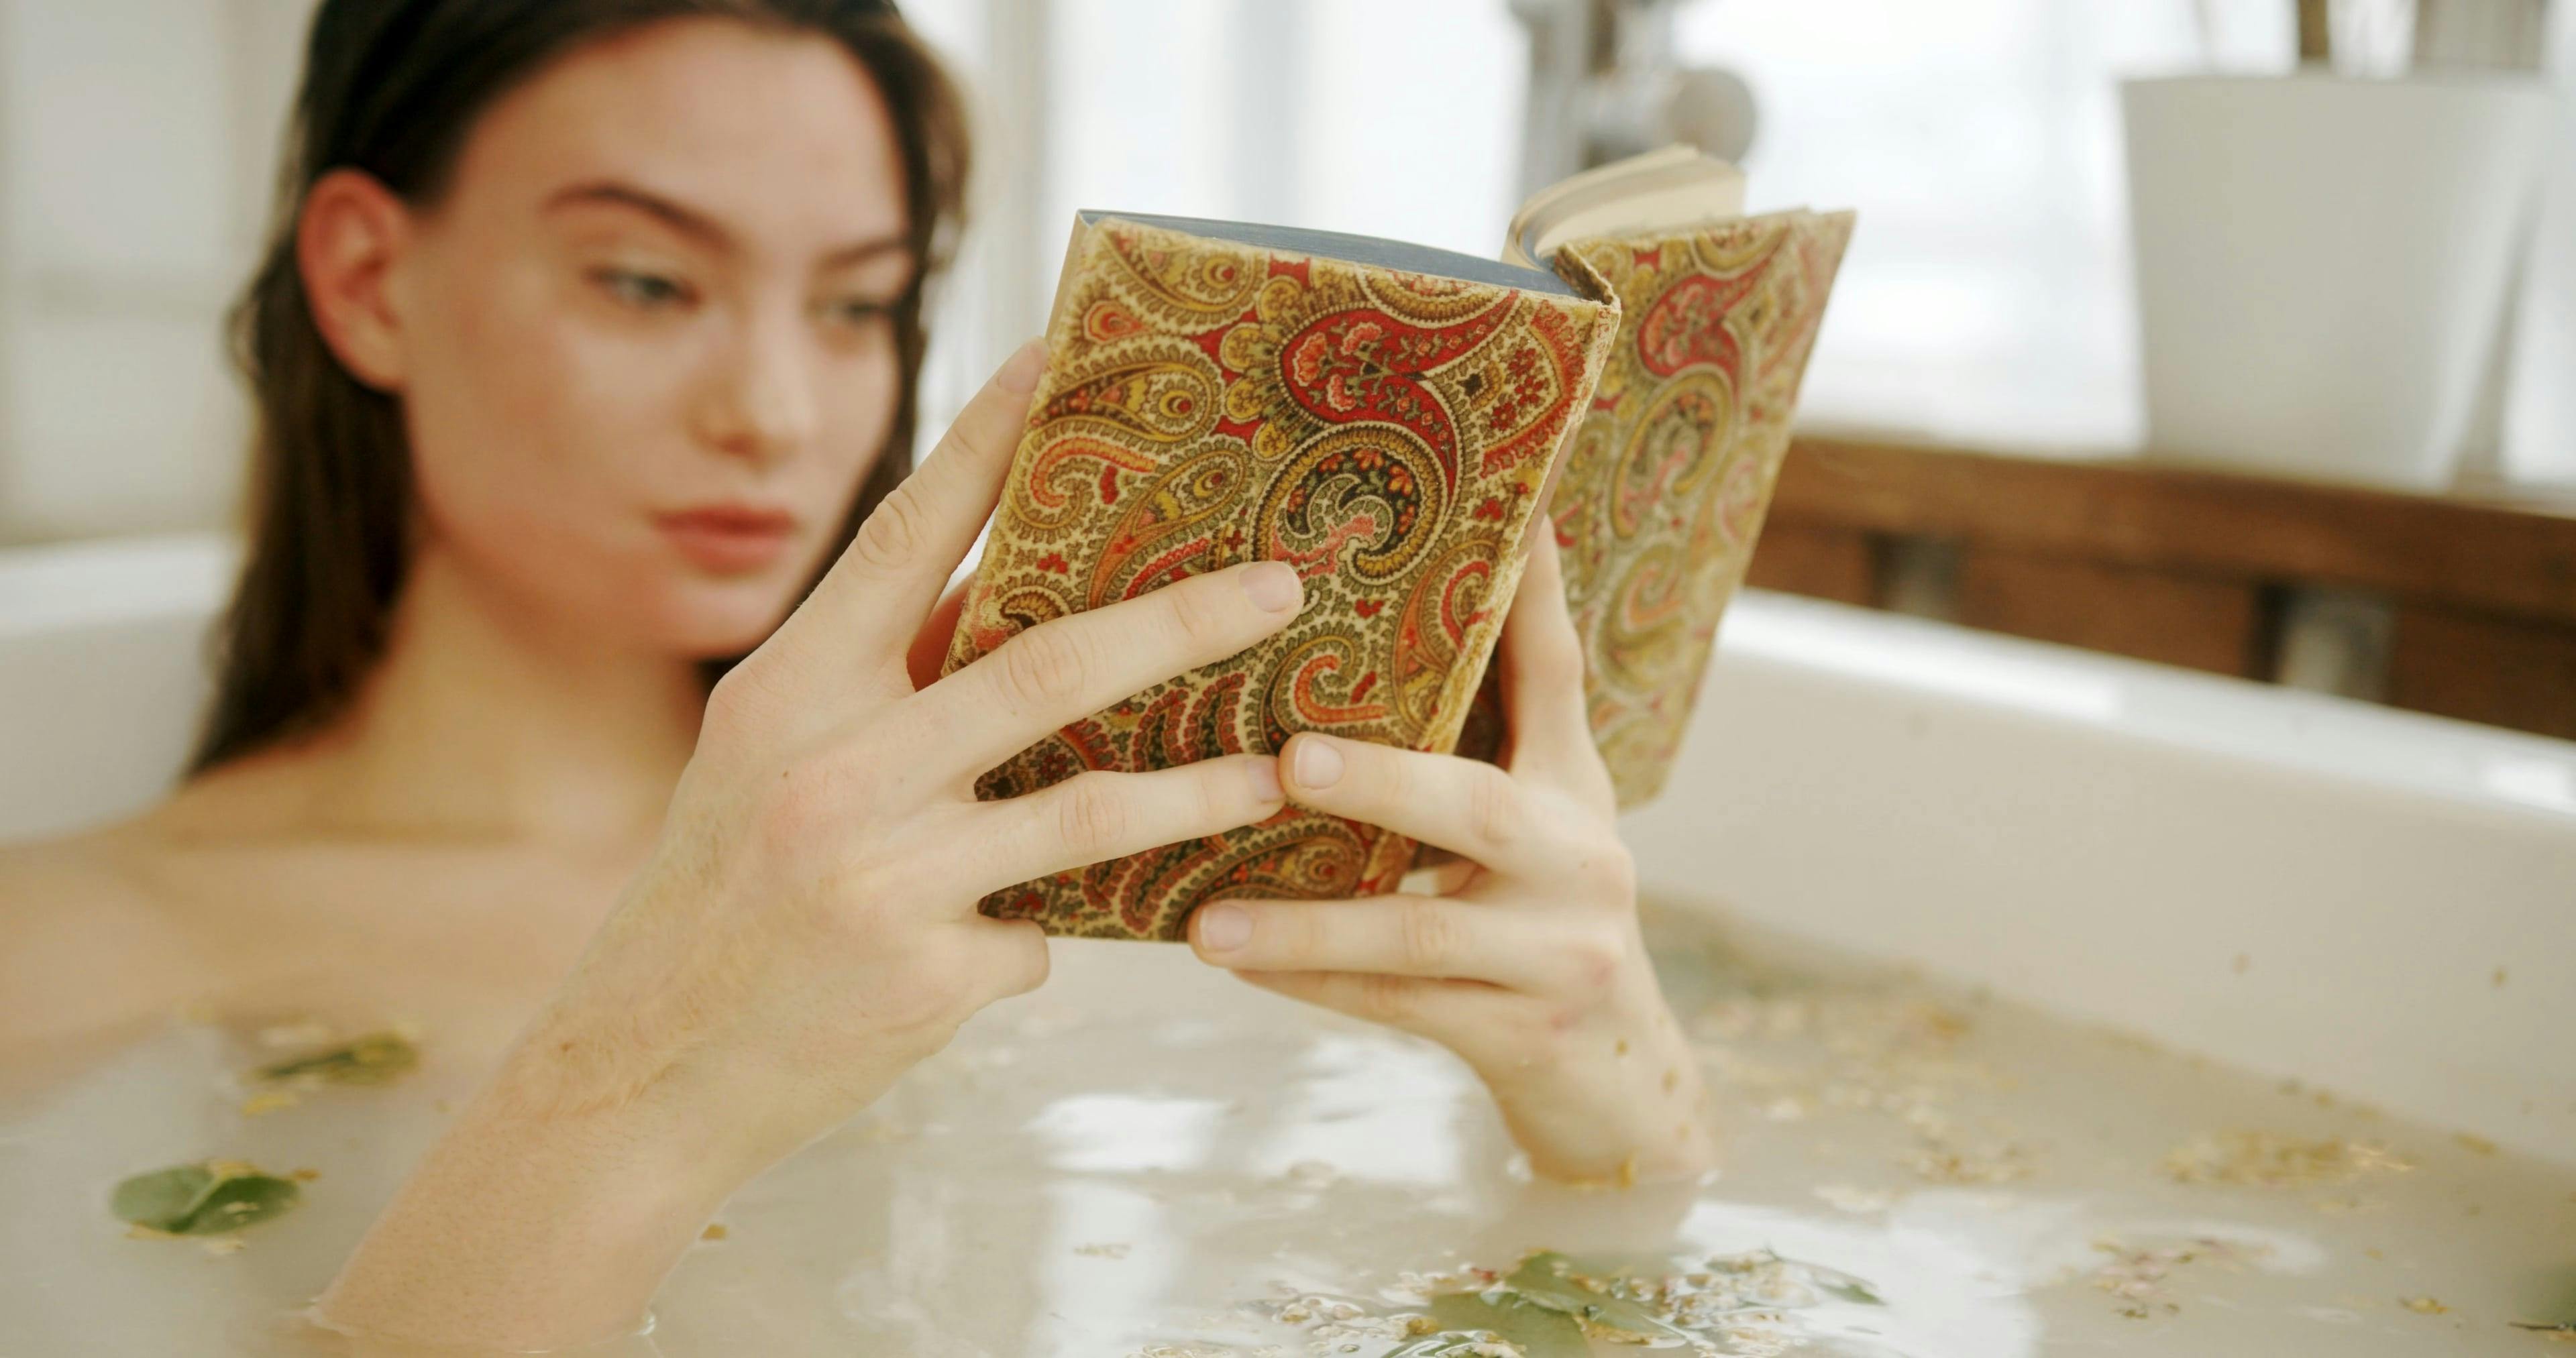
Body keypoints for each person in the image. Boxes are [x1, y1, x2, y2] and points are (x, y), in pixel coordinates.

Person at [0, 0, 1717, 1348]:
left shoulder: (1090, 848)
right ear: (370, 281)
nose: (774, 411)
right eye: (647, 281)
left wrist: (1614, 1118)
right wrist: (628, 1088)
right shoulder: (71, 951)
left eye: (857, 305)